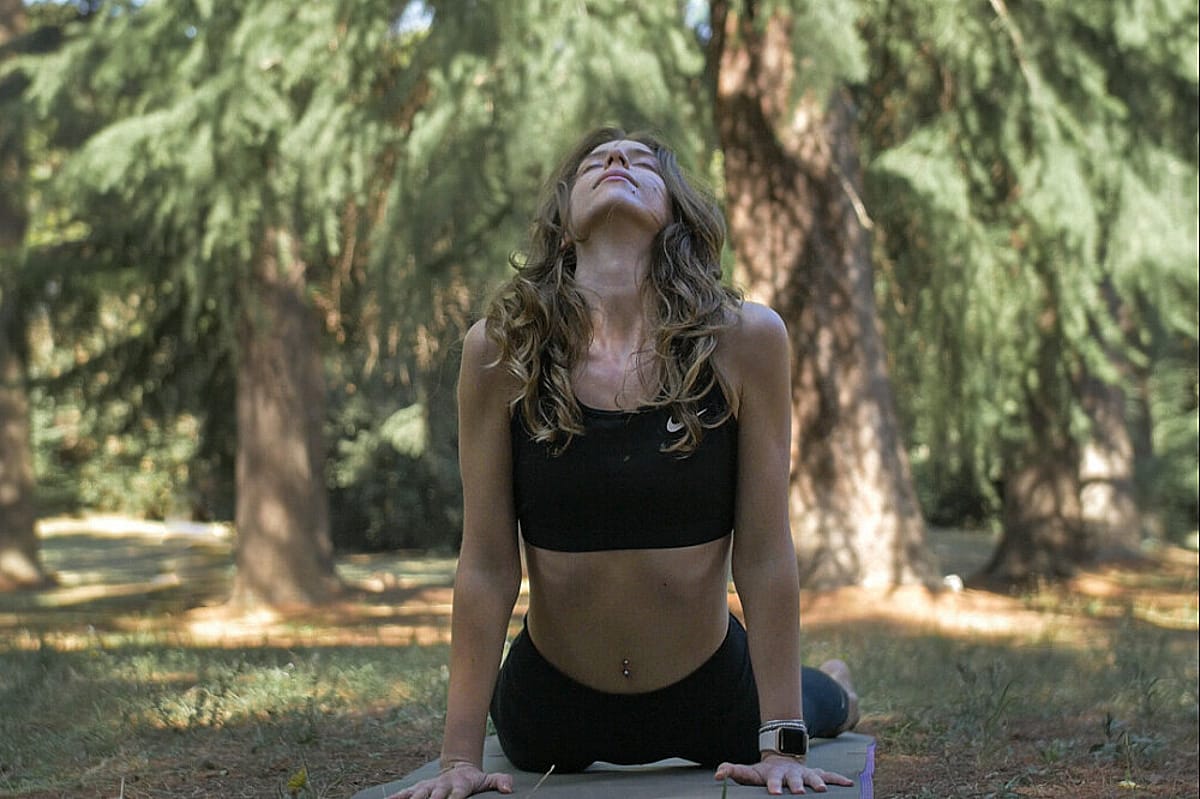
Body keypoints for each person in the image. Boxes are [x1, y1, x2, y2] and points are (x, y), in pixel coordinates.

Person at [391, 127, 860, 799]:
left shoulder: (747, 341)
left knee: (821, 704)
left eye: (643, 163)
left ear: (676, 214)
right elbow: (489, 563)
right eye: (596, 162)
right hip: (548, 710)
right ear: (561, 227)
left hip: (712, 691)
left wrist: (782, 739)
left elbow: (763, 552)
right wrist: (457, 758)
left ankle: (835, 682)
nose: (617, 161)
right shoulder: (499, 351)